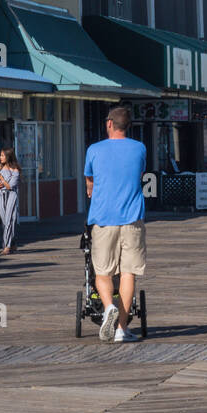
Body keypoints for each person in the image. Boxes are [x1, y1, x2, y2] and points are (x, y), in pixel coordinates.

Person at [84, 104, 147, 344]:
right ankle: (122, 328)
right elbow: (138, 174)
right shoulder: (139, 148)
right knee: (128, 272)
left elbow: (90, 179)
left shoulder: (94, 149)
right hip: (132, 218)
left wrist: (92, 187)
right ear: (127, 126)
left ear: (109, 123)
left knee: (102, 272)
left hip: (102, 219)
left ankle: (108, 306)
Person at [0, 147, 21, 255]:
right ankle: (12, 242)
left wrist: (0, 177)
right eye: (0, 155)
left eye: (2, 155)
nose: (0, 157)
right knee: (4, 222)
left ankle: (6, 246)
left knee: (9, 220)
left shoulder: (15, 170)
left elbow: (10, 186)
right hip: (1, 195)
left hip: (11, 195)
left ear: (8, 156)